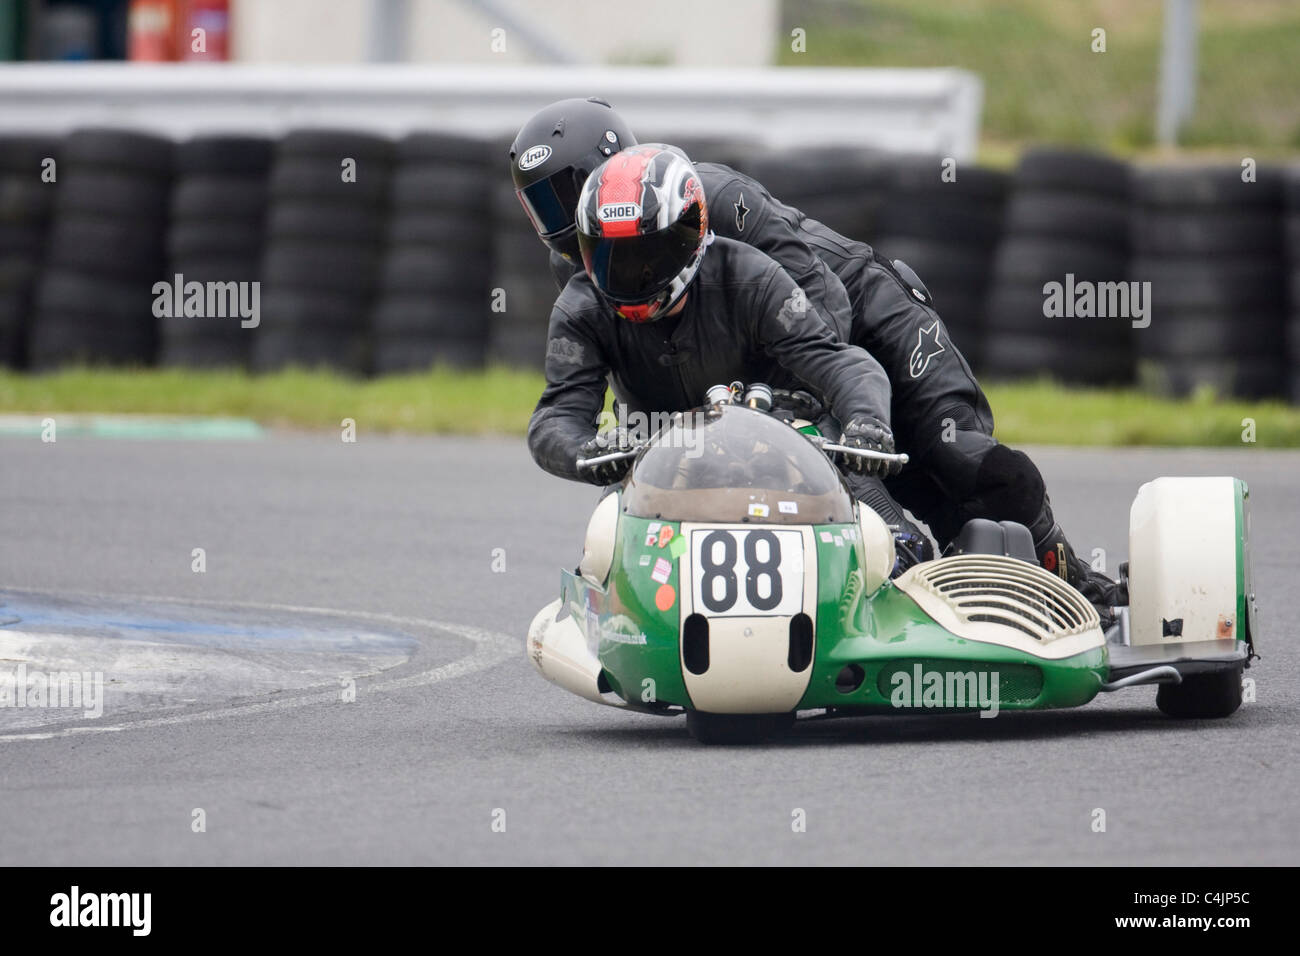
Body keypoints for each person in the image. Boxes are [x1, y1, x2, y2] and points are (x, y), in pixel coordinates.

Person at [510, 97, 1126, 618]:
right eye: (541, 203)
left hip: (859, 310)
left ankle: (1068, 577)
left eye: (565, 191)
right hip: (775, 351)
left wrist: (796, 405)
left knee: (950, 458)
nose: (560, 219)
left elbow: (817, 302)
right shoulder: (591, 264)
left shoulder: (713, 204)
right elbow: (598, 390)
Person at [526, 143, 905, 531]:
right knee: (603, 539)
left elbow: (839, 361)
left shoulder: (753, 277)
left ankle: (901, 550)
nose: (626, 273)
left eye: (644, 255)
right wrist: (590, 451)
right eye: (609, 255)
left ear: (686, 237)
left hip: (782, 441)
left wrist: (866, 420)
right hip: (661, 457)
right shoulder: (581, 308)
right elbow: (557, 415)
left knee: (880, 526)